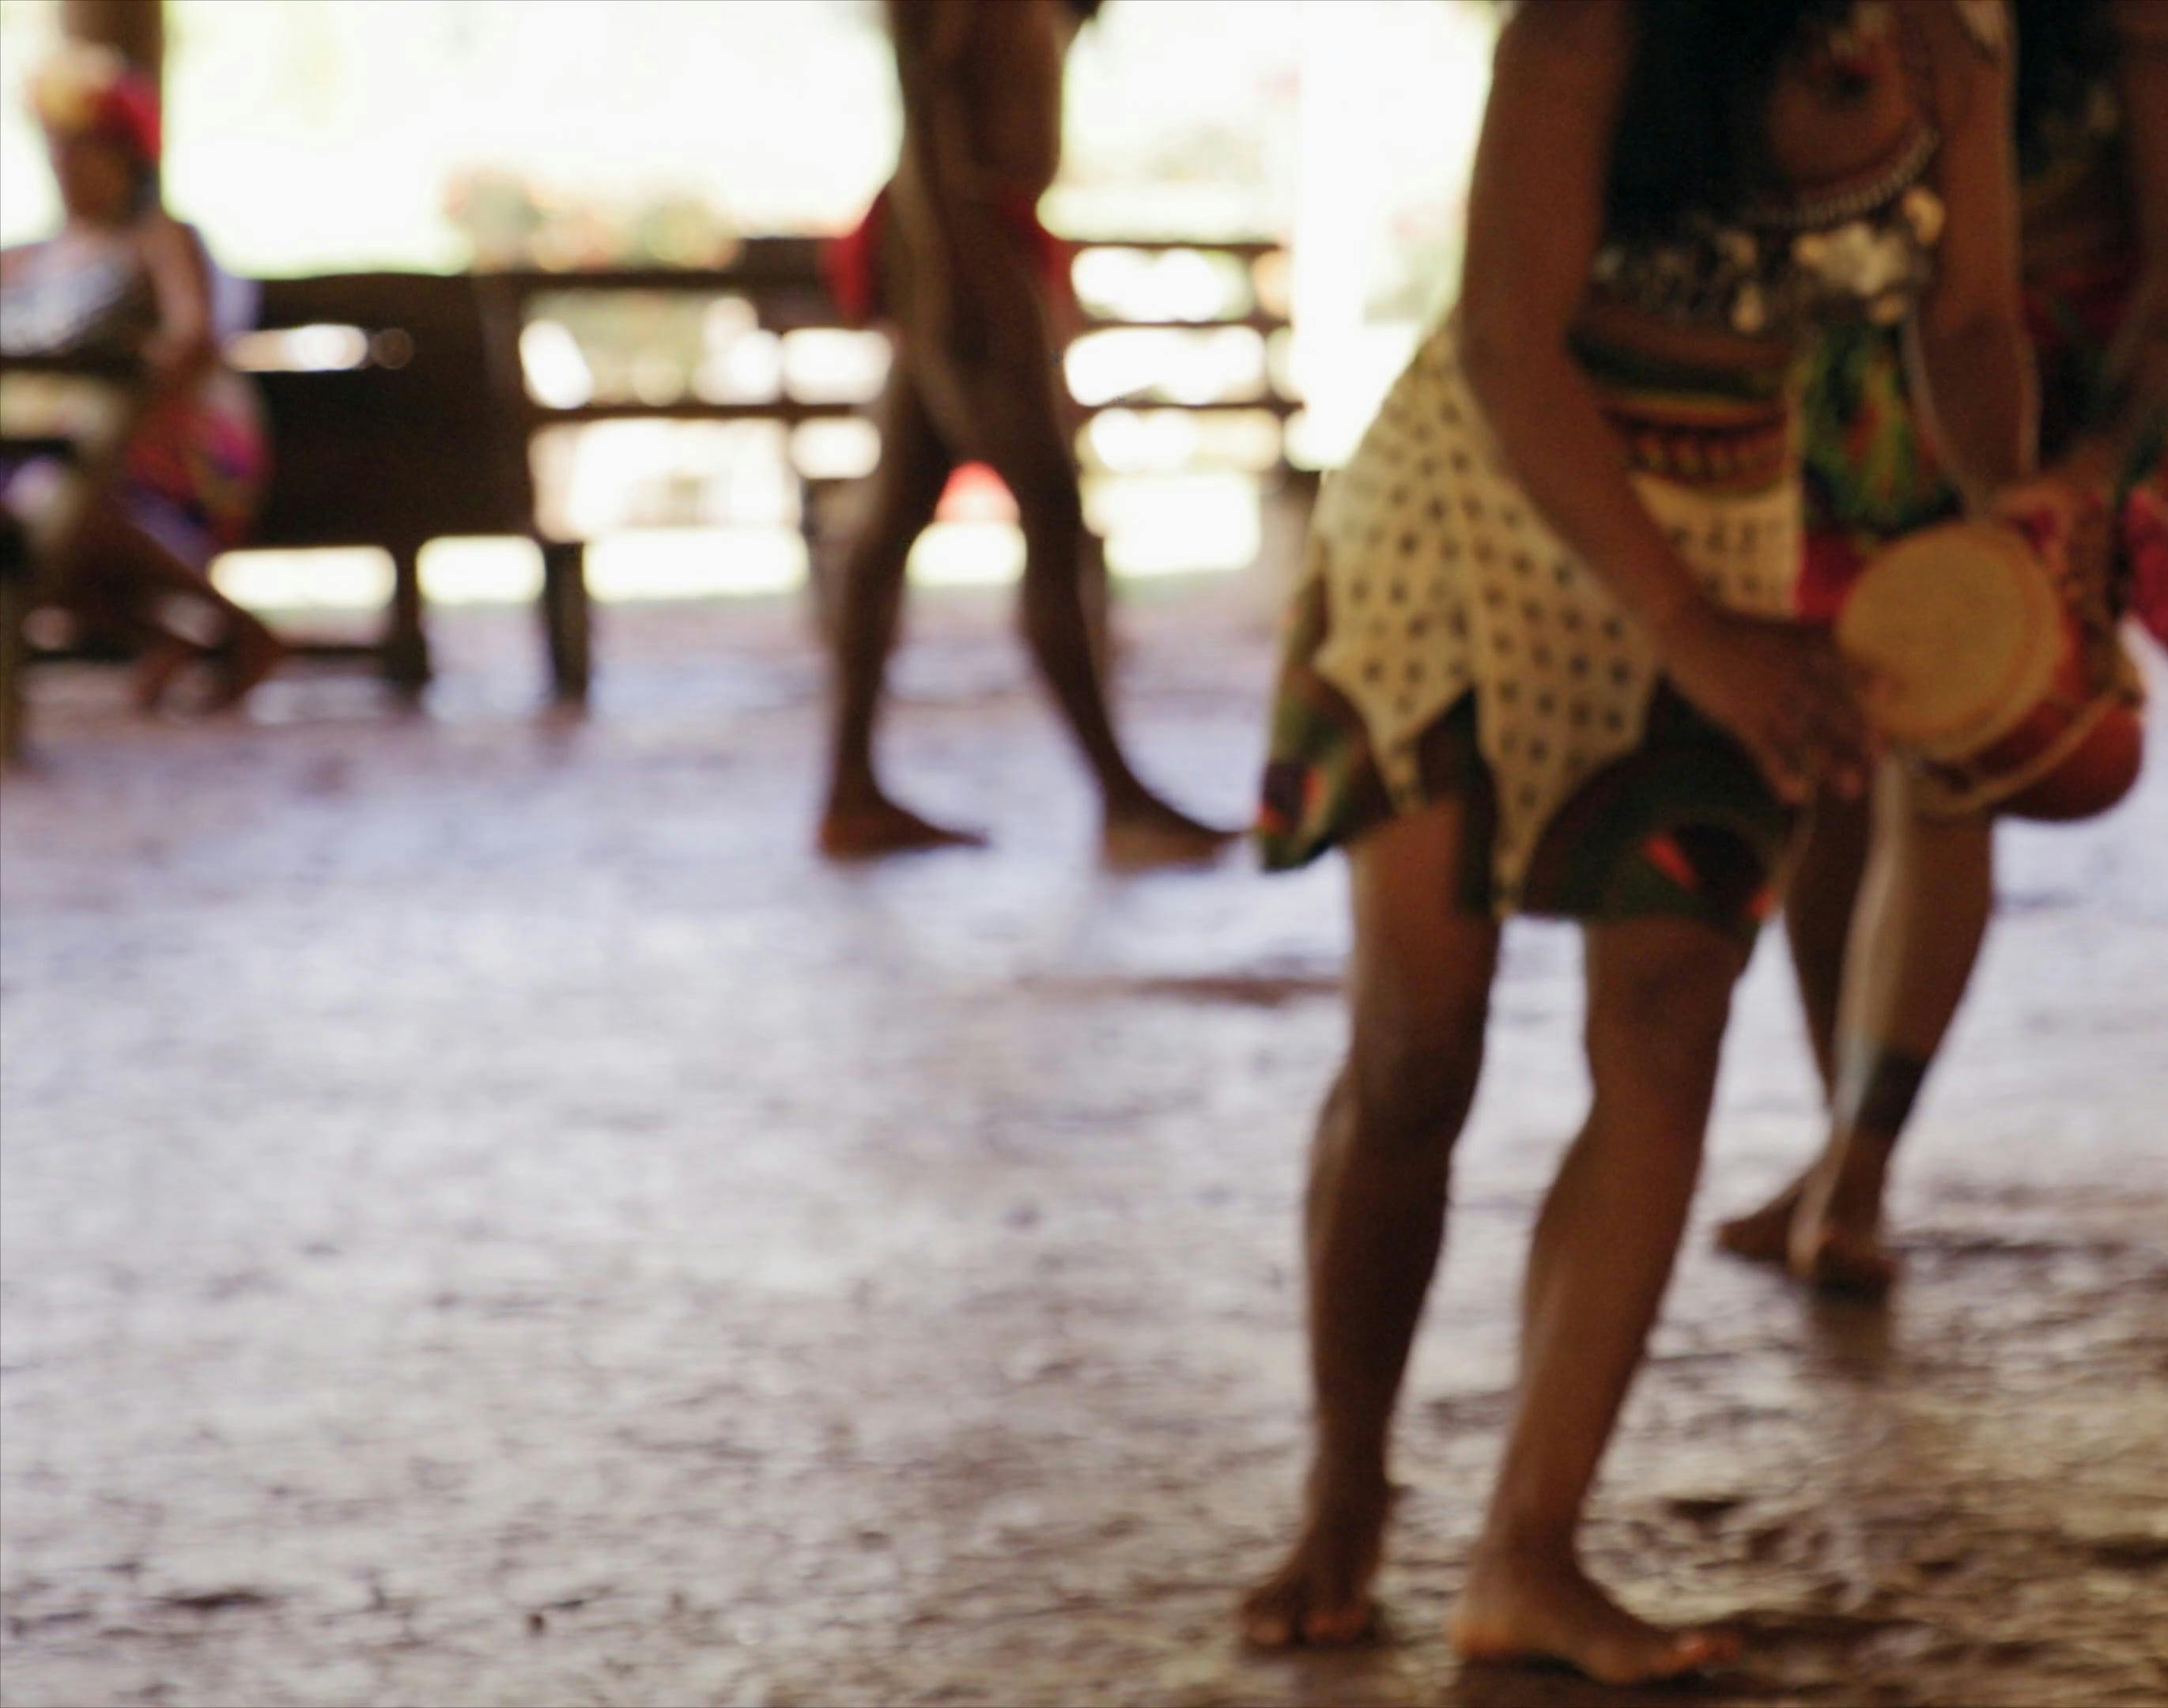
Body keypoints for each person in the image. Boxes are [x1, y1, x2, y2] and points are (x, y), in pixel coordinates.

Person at [1237, 0, 2056, 1681]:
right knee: (1414, 1053)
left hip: (1725, 532)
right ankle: (1345, 1484)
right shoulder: (1594, 22)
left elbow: (1967, 318)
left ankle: (1525, 1552)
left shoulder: (1950, 48)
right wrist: (1692, 631)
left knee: (1666, 1031)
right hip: (1479, 519)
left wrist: (2013, 513)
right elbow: (1503, 348)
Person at [1717, 0, 2168, 1292]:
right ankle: (1842, 1135)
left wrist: (2090, 478)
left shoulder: (2144, 20)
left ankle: (1855, 1174)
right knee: (1826, 774)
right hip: (1842, 370)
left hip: (2058, 388)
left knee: (1949, 767)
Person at [816, 0, 1227, 862]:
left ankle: (851, 792)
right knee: (1051, 513)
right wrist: (963, 285)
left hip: (960, 253)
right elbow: (929, 111)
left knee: (891, 526)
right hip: (967, 258)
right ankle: (1121, 796)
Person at [0, 43, 281, 713]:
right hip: (47, 445)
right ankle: (171, 637)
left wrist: (122, 404)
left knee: (51, 496)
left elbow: (194, 339)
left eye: (84, 148)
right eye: (58, 148)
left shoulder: (161, 236)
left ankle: (240, 629)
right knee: (26, 507)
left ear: (125, 154)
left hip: (162, 443)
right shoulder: (27, 257)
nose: (66, 164)